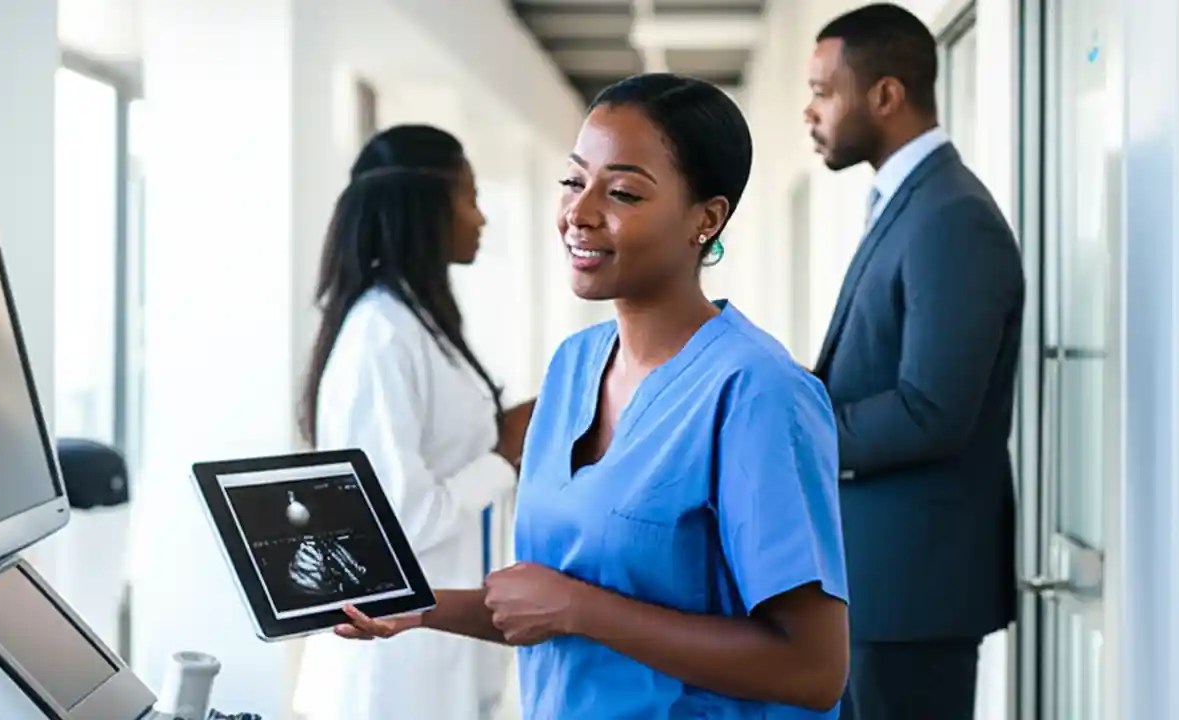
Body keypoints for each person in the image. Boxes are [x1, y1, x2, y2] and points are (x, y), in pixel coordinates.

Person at [335, 73, 851, 718]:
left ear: (706, 219)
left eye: (624, 192)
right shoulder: (574, 367)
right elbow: (549, 603)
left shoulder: (758, 394)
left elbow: (813, 669)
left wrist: (581, 609)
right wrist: (418, 607)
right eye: (574, 181)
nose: (579, 214)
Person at [803, 5, 1024, 719]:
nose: (810, 111)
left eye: (823, 91)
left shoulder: (951, 216)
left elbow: (931, 411)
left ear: (886, 95)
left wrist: (798, 428)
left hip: (914, 595)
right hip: (884, 588)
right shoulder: (910, 205)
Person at [293, 124, 534, 720]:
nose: (479, 218)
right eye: (468, 197)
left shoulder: (418, 323)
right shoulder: (380, 334)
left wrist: (502, 436)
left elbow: (435, 456)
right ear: (424, 207)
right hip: (390, 678)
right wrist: (502, 456)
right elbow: (396, 520)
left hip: (439, 658)